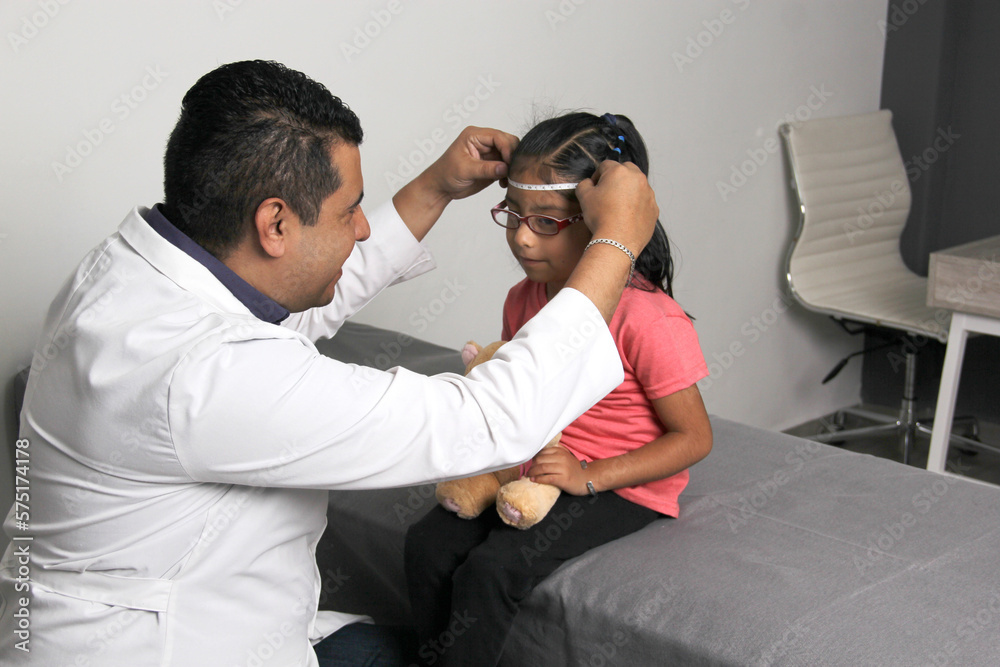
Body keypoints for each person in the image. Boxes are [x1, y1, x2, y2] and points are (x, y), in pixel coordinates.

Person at [0, 63, 659, 666]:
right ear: (276, 224)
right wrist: (616, 242)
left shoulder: (124, 274)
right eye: (350, 213)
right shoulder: (206, 375)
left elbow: (289, 303)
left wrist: (435, 187)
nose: (363, 229)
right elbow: (487, 418)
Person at [404, 111, 713, 666]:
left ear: (603, 221)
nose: (521, 237)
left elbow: (693, 439)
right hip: (536, 464)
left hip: (616, 480)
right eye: (514, 215)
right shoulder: (525, 297)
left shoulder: (649, 319)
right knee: (426, 545)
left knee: (492, 571)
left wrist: (587, 476)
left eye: (546, 221)